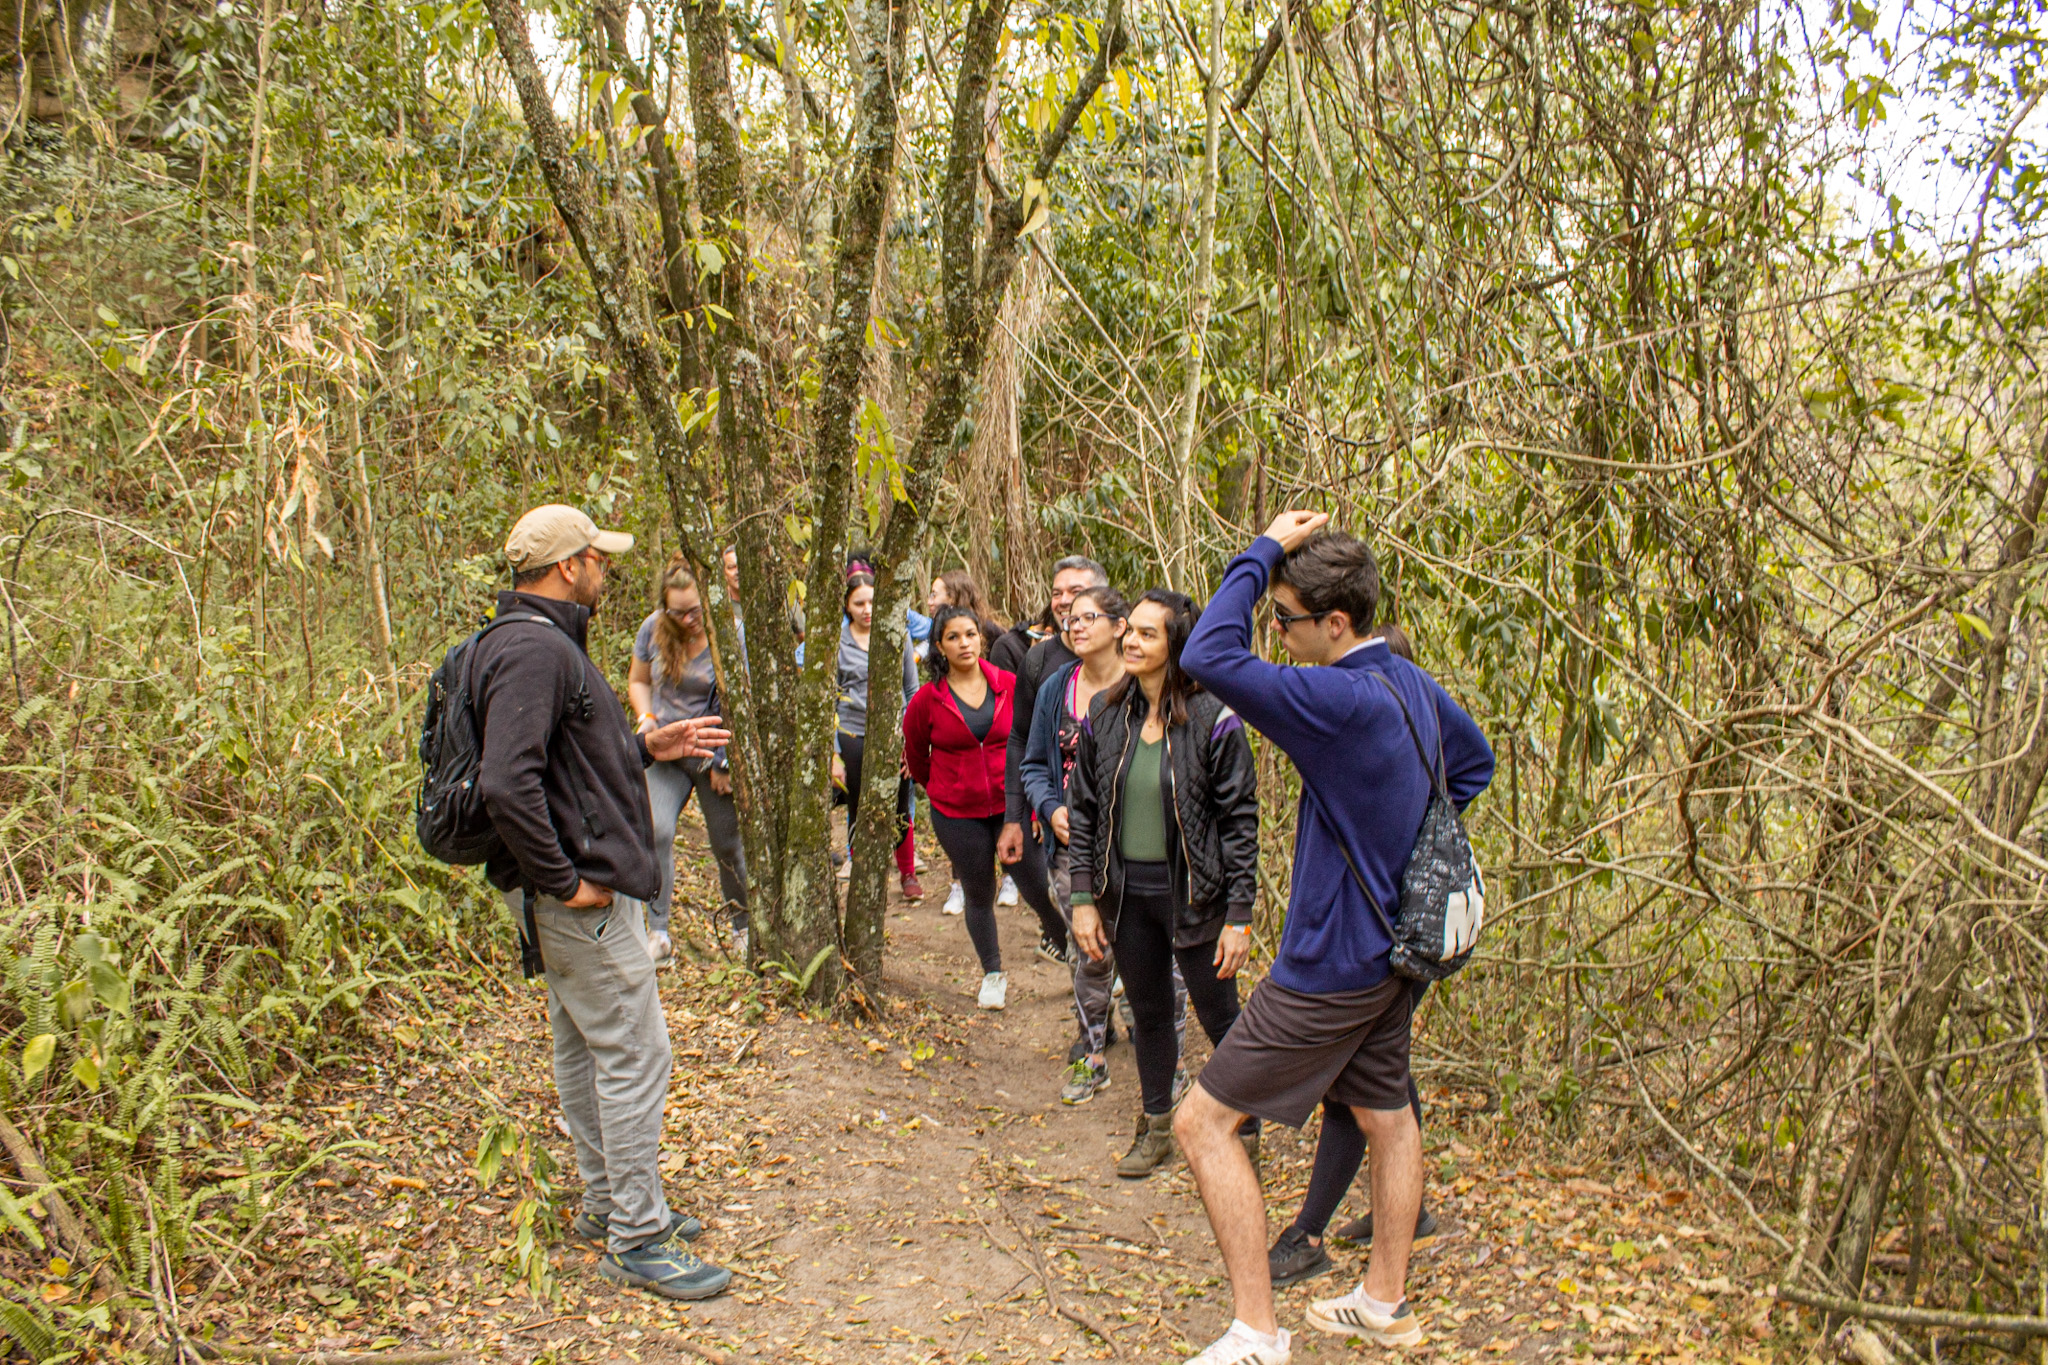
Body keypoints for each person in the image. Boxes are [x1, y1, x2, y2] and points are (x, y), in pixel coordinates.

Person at [1170, 512, 1494, 1363]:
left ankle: (1256, 1331)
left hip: (1332, 966)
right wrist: (1392, 838)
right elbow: (1473, 763)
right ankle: (1383, 1300)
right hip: (1396, 953)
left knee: (1202, 1124)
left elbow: (1207, 654)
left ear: (1336, 622)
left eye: (1284, 618)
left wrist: (1262, 549)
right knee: (1386, 1113)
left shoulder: (1337, 698)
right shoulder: (1407, 682)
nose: (1275, 633)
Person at [473, 504, 736, 1301]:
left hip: (568, 891)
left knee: (587, 1044)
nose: (606, 568)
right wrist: (563, 880)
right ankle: (638, 1235)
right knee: (634, 1048)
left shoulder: (534, 640)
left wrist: (645, 745)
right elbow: (506, 781)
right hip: (578, 899)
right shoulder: (533, 650)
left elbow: (564, 763)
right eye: (596, 557)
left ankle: (608, 1203)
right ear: (566, 567)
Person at [1266, 622, 1440, 1287]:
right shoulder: (1408, 733)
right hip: (1403, 933)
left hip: (1382, 938)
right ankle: (1407, 1210)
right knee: (1383, 1072)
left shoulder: (1385, 734)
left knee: (1354, 1083)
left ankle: (1308, 1233)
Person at [1067, 590, 1260, 1180]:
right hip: (1127, 896)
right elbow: (1084, 813)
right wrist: (1083, 898)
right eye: (1130, 629)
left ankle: (1245, 1131)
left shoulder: (1213, 718)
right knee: (1149, 1014)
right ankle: (1155, 1130)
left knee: (1220, 1020)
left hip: (1195, 897)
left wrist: (1239, 915)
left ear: (1177, 644)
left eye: (1147, 634)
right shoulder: (1105, 715)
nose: (1130, 640)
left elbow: (1239, 822)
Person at [1022, 585, 1191, 1103]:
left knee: (1164, 967)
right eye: (1069, 619)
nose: (1075, 626)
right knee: (1089, 956)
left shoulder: (1149, 689)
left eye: (1087, 617)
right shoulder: (1057, 689)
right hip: (1075, 848)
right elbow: (1033, 763)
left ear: (1119, 627)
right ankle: (1091, 1054)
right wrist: (1050, 808)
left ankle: (1168, 1067)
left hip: (1145, 854)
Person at [903, 605, 1061, 1009]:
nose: (964, 643)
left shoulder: (1009, 684)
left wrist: (1033, 806)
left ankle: (1078, 956)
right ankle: (993, 974)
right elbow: (916, 755)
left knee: (1037, 887)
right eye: (953, 637)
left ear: (982, 638)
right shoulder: (927, 700)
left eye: (970, 634)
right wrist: (942, 788)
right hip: (958, 814)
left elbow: (1034, 742)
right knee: (978, 892)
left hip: (1013, 809)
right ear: (939, 646)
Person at [630, 558, 748, 965]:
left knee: (727, 845)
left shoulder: (730, 633)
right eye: (678, 612)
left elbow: (738, 702)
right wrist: (646, 718)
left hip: (711, 753)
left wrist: (724, 762)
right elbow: (638, 679)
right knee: (656, 831)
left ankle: (743, 928)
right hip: (665, 751)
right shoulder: (652, 628)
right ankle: (658, 932)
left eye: (695, 610)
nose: (688, 620)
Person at [999, 555, 1113, 968]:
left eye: (1076, 592)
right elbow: (1020, 741)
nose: (1064, 601)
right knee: (1088, 949)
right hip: (1064, 831)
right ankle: (1092, 1008)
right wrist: (1017, 816)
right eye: (1057, 593)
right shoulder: (1040, 661)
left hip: (1124, 834)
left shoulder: (1133, 657)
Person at [830, 572, 924, 898]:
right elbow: (829, 699)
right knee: (858, 804)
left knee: (900, 802)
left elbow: (911, 689)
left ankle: (907, 872)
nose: (867, 609)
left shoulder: (896, 633)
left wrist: (911, 739)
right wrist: (833, 752)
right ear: (847, 606)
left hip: (893, 732)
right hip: (852, 732)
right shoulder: (837, 642)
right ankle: (861, 870)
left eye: (872, 601)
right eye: (859, 603)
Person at [926, 569, 1012, 916]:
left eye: (936, 594)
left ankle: (1009, 878)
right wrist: (939, 781)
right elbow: (918, 751)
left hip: (999, 767)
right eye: (953, 638)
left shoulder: (993, 634)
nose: (930, 601)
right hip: (957, 778)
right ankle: (960, 885)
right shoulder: (935, 640)